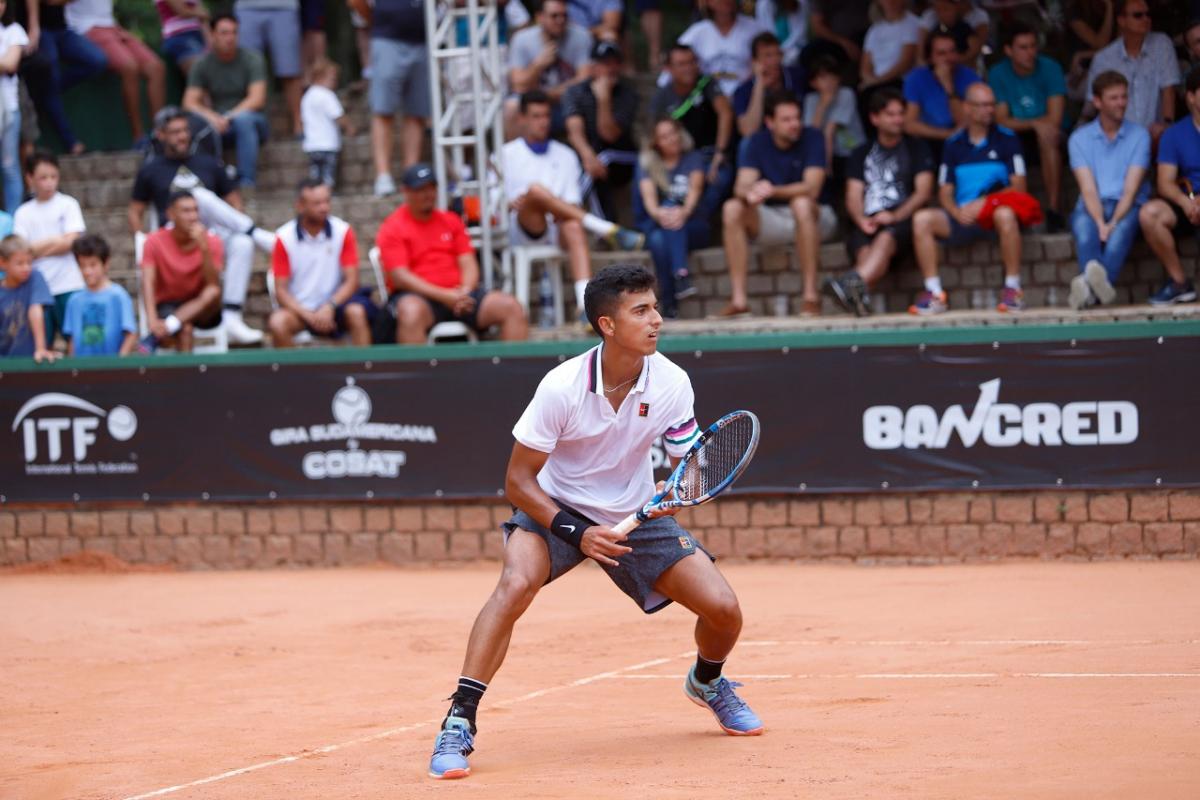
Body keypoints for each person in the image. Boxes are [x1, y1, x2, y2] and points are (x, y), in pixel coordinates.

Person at [425, 263, 762, 781]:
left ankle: (707, 681)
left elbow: (689, 464)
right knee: (515, 584)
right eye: (641, 311)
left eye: (655, 308)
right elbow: (518, 482)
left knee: (724, 610)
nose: (656, 320)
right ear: (607, 324)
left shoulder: (672, 381)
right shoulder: (561, 387)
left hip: (633, 511)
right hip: (555, 508)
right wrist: (577, 533)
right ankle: (458, 720)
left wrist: (675, 494)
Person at [129, 108, 272, 345]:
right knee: (197, 195)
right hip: (172, 239)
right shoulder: (151, 169)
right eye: (175, 132)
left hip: (211, 234)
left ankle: (232, 316)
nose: (183, 136)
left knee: (242, 241)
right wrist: (141, 238)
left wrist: (224, 229)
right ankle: (256, 233)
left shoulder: (208, 162)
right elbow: (135, 211)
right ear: (161, 135)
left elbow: (234, 201)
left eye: (185, 131)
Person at [502, 91, 641, 317]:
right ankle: (603, 227)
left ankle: (584, 306)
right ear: (522, 119)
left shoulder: (566, 154)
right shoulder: (505, 154)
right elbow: (494, 204)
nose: (543, 122)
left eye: (546, 116)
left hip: (559, 227)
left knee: (574, 225)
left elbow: (574, 203)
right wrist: (511, 203)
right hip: (524, 227)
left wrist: (557, 208)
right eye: (536, 116)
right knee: (535, 192)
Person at [910, 83, 1029, 315]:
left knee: (1006, 214)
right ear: (967, 107)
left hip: (994, 215)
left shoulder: (1008, 139)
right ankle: (934, 293)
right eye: (982, 105)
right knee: (922, 219)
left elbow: (1019, 187)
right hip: (962, 216)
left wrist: (985, 203)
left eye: (991, 105)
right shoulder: (952, 144)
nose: (989, 110)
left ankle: (1013, 289)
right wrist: (956, 211)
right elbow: (944, 191)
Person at [376, 163, 528, 344]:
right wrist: (446, 296)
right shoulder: (392, 227)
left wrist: (464, 293)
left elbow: (469, 263)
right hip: (420, 297)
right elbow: (401, 278)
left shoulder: (451, 220)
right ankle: (418, 364)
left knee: (512, 307)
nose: (428, 194)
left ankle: (512, 364)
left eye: (431, 187)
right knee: (410, 313)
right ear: (406, 192)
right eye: (420, 189)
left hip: (460, 296)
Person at [720, 90, 834, 318]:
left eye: (797, 117)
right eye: (786, 119)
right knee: (731, 208)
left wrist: (772, 189)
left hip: (816, 218)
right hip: (773, 220)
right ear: (770, 122)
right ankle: (739, 301)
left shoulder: (813, 137)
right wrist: (753, 192)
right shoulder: (756, 142)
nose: (795, 124)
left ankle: (811, 297)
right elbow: (740, 187)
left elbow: (812, 188)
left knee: (801, 203)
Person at [824, 89, 935, 316]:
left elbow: (923, 193)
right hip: (868, 221)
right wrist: (861, 219)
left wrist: (894, 216)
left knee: (885, 237)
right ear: (875, 118)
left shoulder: (917, 148)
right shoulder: (860, 153)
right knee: (865, 249)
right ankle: (858, 298)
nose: (898, 119)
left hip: (903, 221)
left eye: (900, 113)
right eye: (891, 114)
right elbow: (853, 195)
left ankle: (850, 284)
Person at [1067, 71, 1150, 310]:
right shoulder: (1079, 139)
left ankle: (1087, 291)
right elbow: (1088, 189)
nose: (1121, 103)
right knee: (1085, 231)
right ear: (1097, 101)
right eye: (1114, 98)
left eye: (1124, 97)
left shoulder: (1140, 135)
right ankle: (1095, 290)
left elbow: (1131, 190)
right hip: (1092, 205)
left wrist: (1112, 222)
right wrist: (1100, 223)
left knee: (1118, 237)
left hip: (1127, 205)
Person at [269, 179, 373, 347]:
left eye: (327, 201)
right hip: (301, 311)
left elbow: (352, 280)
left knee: (357, 313)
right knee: (278, 323)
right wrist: (307, 314)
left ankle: (366, 363)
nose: (324, 207)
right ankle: (293, 366)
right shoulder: (284, 237)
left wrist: (330, 307)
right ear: (300, 205)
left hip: (337, 307)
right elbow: (280, 290)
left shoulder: (343, 230)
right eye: (317, 203)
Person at [989, 22, 1068, 231]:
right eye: (1023, 47)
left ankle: (1054, 210)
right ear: (1008, 50)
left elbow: (1055, 119)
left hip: (1051, 135)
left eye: (1033, 46)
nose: (1030, 52)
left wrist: (1038, 126)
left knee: (1048, 136)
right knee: (1004, 142)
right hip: (1018, 135)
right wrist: (1034, 122)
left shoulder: (1050, 67)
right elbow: (1001, 120)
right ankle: (1019, 211)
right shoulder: (997, 73)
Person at [348, 0, 430, 196]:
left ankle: (412, 177)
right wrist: (378, 19)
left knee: (417, 112)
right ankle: (383, 175)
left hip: (423, 39)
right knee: (383, 109)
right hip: (387, 39)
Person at [183, 14, 269, 190]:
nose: (230, 38)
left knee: (244, 120)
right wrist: (212, 117)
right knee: (196, 123)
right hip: (220, 123)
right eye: (224, 33)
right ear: (212, 35)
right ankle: (205, 182)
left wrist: (229, 116)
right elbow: (189, 103)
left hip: (252, 122)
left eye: (234, 32)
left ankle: (246, 182)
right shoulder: (202, 64)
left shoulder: (252, 59)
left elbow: (257, 99)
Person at [1137, 66, 1200, 305]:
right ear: (1191, 97)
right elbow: (1164, 183)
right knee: (1149, 213)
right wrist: (1187, 203)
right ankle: (1179, 283)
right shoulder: (1174, 134)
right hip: (1189, 205)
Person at [650, 44, 734, 218]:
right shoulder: (661, 97)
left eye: (692, 62)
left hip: (710, 154)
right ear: (668, 69)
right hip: (680, 158)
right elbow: (655, 134)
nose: (688, 68)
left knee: (719, 177)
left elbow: (725, 113)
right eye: (681, 64)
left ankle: (696, 221)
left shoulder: (706, 83)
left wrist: (720, 152)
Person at [635, 118, 708, 316]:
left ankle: (669, 303)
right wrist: (663, 214)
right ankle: (680, 276)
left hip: (693, 225)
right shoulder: (647, 163)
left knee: (670, 221)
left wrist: (682, 212)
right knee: (658, 240)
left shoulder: (693, 158)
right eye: (664, 136)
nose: (671, 139)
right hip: (661, 224)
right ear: (656, 142)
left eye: (673, 133)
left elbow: (695, 191)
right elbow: (650, 202)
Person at [65, 0, 166, 145]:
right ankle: (139, 138)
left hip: (112, 26)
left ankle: (161, 133)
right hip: (86, 27)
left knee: (156, 68)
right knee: (129, 67)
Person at [16, 0, 109, 155]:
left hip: (62, 29)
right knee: (49, 73)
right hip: (39, 33)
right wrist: (34, 27)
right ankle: (71, 142)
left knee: (97, 61)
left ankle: (47, 93)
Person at [138, 191, 224, 354]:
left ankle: (159, 333)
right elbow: (147, 282)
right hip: (168, 305)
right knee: (185, 329)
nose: (193, 216)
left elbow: (213, 284)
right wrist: (152, 320)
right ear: (171, 214)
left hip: (203, 307)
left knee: (213, 291)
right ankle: (172, 326)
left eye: (195, 210)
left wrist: (204, 248)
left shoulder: (212, 241)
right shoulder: (153, 242)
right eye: (186, 211)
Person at [563, 40, 640, 222]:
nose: (611, 68)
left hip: (623, 158)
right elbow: (574, 130)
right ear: (593, 66)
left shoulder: (628, 94)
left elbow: (609, 134)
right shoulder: (575, 92)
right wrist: (587, 156)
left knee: (601, 160)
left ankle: (571, 213)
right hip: (592, 155)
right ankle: (606, 225)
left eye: (615, 63)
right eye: (605, 63)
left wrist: (603, 99)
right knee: (593, 166)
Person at [14, 152, 85, 346]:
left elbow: (72, 243)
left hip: (70, 285)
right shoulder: (22, 213)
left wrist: (35, 248)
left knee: (76, 342)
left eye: (54, 177)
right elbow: (22, 251)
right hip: (37, 290)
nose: (49, 183)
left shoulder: (69, 204)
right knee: (41, 346)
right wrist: (58, 240)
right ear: (30, 178)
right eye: (43, 178)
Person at [1085, 0, 1179, 138]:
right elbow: (1093, 103)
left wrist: (1167, 124)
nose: (1146, 19)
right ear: (1121, 20)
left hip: (1155, 135)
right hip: (1116, 136)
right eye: (1138, 15)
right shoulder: (1103, 59)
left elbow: (1168, 89)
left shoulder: (1162, 44)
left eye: (1148, 14)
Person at [505, 0, 593, 137]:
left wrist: (551, 94)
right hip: (535, 101)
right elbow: (517, 85)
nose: (560, 20)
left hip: (568, 100)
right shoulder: (522, 39)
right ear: (539, 17)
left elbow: (584, 79)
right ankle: (516, 151)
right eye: (554, 16)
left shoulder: (581, 36)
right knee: (512, 106)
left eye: (564, 15)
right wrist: (538, 65)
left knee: (592, 98)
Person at [902, 30, 982, 157]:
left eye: (952, 51)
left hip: (965, 140)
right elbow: (909, 125)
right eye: (941, 53)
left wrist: (948, 86)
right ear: (930, 58)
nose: (949, 58)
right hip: (928, 141)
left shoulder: (969, 76)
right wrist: (947, 134)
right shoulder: (916, 78)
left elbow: (969, 122)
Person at [232, 0, 302, 136]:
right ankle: (247, 124)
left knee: (290, 69)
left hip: (284, 7)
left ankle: (299, 124)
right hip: (246, 7)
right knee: (246, 70)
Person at [62, 234, 137, 356]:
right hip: (82, 366)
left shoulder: (119, 296)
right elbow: (72, 340)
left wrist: (119, 363)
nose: (87, 271)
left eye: (93, 265)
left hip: (111, 365)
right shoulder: (74, 300)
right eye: (82, 265)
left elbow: (130, 334)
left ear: (106, 263)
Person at [677, 0, 767, 98]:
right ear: (707, 2)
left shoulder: (754, 29)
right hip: (708, 96)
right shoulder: (697, 32)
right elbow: (675, 59)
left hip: (748, 93)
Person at [733, 32, 807, 139]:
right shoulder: (743, 90)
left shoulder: (797, 76)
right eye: (768, 55)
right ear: (754, 61)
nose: (775, 60)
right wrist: (759, 84)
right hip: (764, 142)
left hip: (796, 135)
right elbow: (748, 131)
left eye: (778, 54)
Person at [803, 56, 865, 172]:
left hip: (851, 151)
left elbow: (829, 131)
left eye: (833, 76)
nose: (829, 81)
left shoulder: (846, 94)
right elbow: (811, 133)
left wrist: (826, 166)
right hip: (826, 152)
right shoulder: (810, 99)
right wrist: (822, 105)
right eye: (823, 77)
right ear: (813, 83)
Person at [0, 234, 55, 361]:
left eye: (29, 262)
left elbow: (35, 309)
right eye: (20, 263)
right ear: (2, 262)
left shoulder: (35, 277)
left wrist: (40, 349)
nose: (26, 268)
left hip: (32, 360)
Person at [301, 58, 354, 187]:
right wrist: (349, 127)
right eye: (333, 79)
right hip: (328, 144)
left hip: (312, 144)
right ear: (320, 77)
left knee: (315, 174)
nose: (335, 83)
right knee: (327, 174)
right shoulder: (327, 95)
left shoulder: (307, 96)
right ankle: (326, 192)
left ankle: (314, 191)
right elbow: (338, 115)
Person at [0, 3, 27, 214]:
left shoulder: (13, 30)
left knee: (9, 167)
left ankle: (12, 224)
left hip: (8, 107)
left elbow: (10, 64)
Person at [860, 0, 920, 94]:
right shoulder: (874, 29)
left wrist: (878, 81)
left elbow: (905, 62)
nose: (890, 2)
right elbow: (865, 65)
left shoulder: (913, 23)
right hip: (875, 83)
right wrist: (870, 80)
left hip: (900, 82)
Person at [916, 0, 989, 68]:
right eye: (939, 10)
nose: (943, 14)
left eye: (946, 9)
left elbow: (974, 50)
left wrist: (955, 61)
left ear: (955, 9)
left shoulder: (964, 28)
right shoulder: (935, 30)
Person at [806, 0, 870, 71]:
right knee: (809, 52)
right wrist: (844, 43)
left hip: (865, 31)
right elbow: (817, 26)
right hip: (836, 39)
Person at [155, 0, 211, 75]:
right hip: (179, 36)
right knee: (202, 73)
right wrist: (202, 13)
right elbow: (182, 11)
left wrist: (209, 42)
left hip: (199, 35)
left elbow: (203, 17)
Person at [754, 0, 806, 67]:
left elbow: (799, 31)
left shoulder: (800, 3)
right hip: (774, 48)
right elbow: (767, 31)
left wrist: (783, 49)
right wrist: (776, 50)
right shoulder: (764, 4)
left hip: (796, 48)